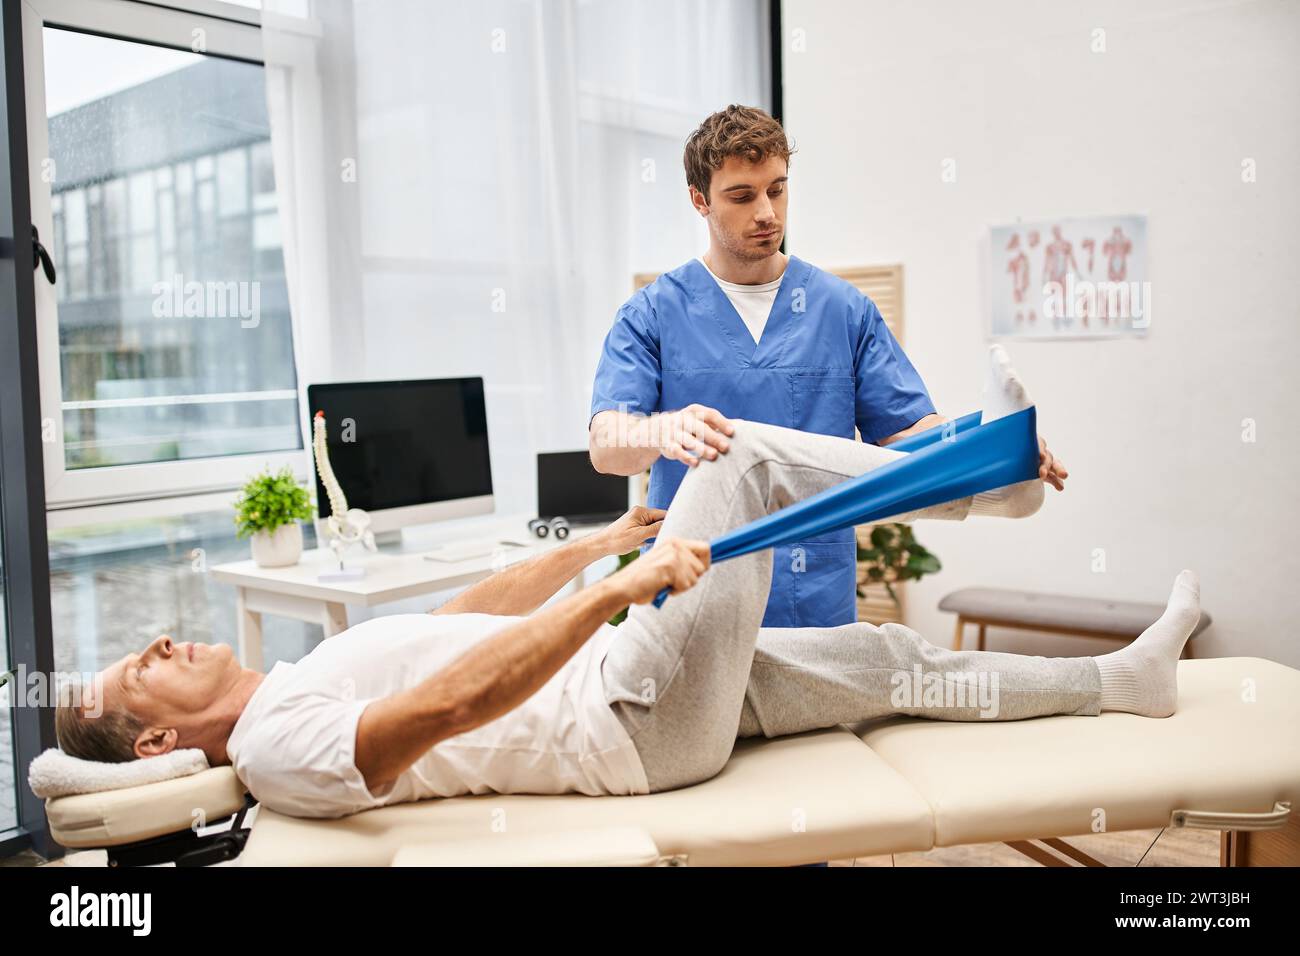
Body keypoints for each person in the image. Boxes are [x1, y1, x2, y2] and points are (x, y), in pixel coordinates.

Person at [56, 353, 1198, 820]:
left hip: (646, 694)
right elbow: (448, 711)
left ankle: (1121, 680)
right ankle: (985, 486)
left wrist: (597, 543)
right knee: (731, 452)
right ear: (159, 744)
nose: (162, 640)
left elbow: (458, 629)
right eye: (142, 667)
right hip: (632, 715)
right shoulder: (272, 748)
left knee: (888, 661)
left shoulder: (295, 678)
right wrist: (620, 591)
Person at [589, 105, 1068, 628]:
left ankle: (1003, 486)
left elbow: (907, 433)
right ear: (699, 200)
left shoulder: (841, 310)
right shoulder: (653, 314)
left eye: (777, 189)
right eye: (742, 196)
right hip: (693, 598)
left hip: (813, 597)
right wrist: (665, 429)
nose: (767, 212)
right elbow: (608, 447)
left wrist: (996, 446)